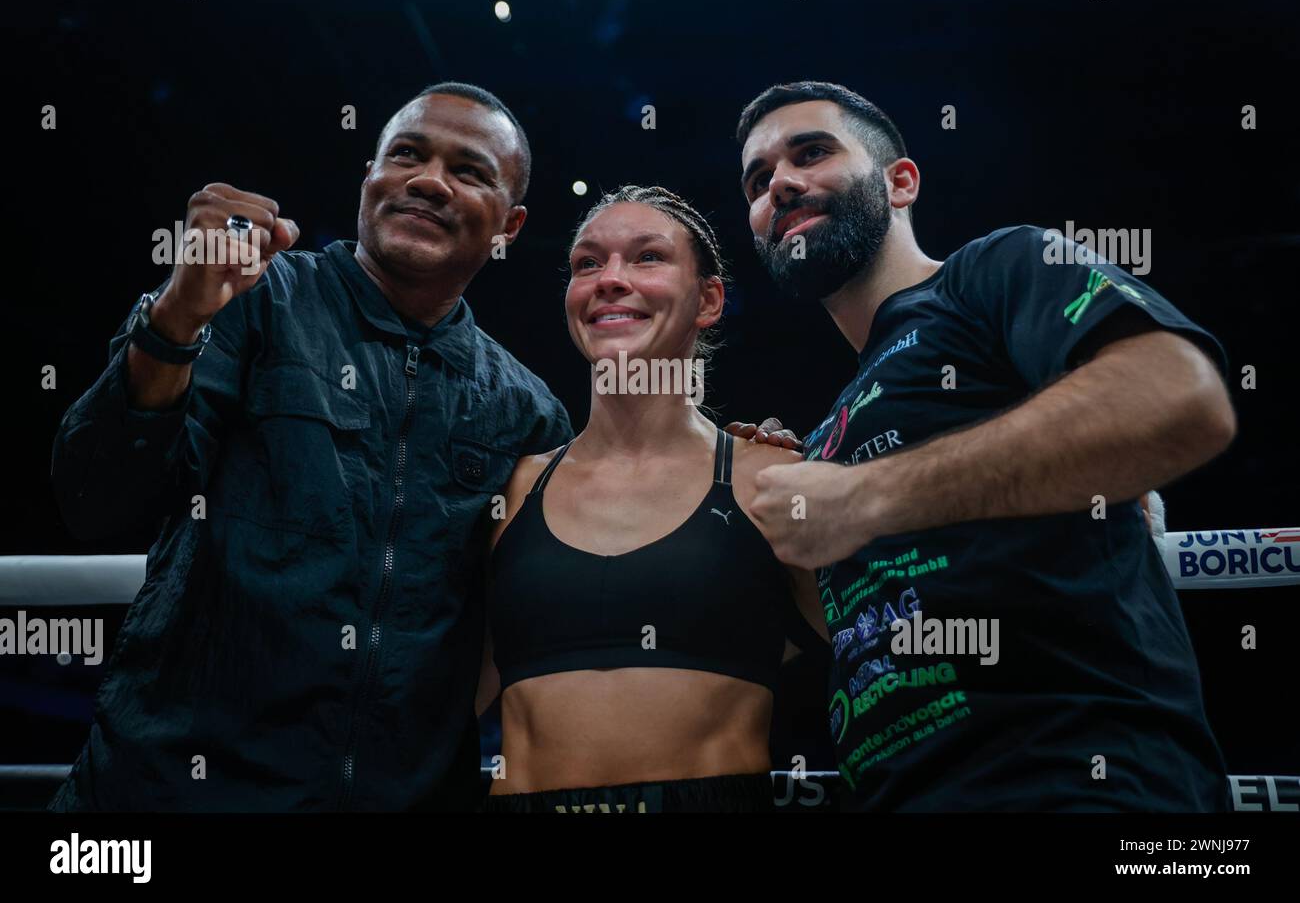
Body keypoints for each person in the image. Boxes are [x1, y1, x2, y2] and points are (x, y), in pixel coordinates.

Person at [48, 83, 575, 810]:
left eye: (470, 170)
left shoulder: (530, 411)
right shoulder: (249, 300)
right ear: (370, 180)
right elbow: (94, 500)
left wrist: (726, 453)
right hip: (164, 793)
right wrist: (176, 316)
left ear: (508, 226)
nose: (428, 180)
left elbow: (543, 627)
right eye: (407, 155)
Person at [732, 80, 1234, 810]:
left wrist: (866, 493)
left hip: (1082, 786)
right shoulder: (832, 428)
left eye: (811, 152)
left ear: (900, 182)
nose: (781, 182)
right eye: (758, 179)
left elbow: (1181, 395)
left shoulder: (997, 269)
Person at [476, 186, 828, 813]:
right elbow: (436, 695)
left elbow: (876, 655)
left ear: (709, 300)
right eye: (587, 263)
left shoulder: (770, 479)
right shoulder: (512, 487)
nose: (610, 279)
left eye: (647, 257)